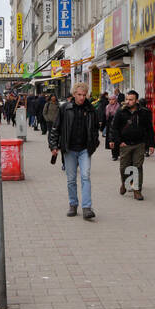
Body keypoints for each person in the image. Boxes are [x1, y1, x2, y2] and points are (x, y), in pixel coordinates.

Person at [48, 82, 101, 220]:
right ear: (74, 94)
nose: (82, 97)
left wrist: (94, 144)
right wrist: (54, 146)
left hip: (85, 149)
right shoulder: (65, 108)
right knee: (71, 179)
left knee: (85, 176)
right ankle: (73, 204)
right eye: (79, 95)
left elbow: (95, 129)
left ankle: (87, 208)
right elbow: (55, 128)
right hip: (69, 149)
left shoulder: (91, 110)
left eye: (84, 95)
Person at [112, 90, 155, 200]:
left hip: (139, 144)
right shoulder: (120, 112)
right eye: (127, 99)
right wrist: (118, 141)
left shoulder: (144, 112)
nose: (128, 101)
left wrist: (151, 144)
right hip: (125, 144)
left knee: (137, 166)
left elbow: (149, 129)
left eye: (131, 99)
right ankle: (125, 184)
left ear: (136, 100)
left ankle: (137, 190)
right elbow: (114, 128)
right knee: (124, 167)